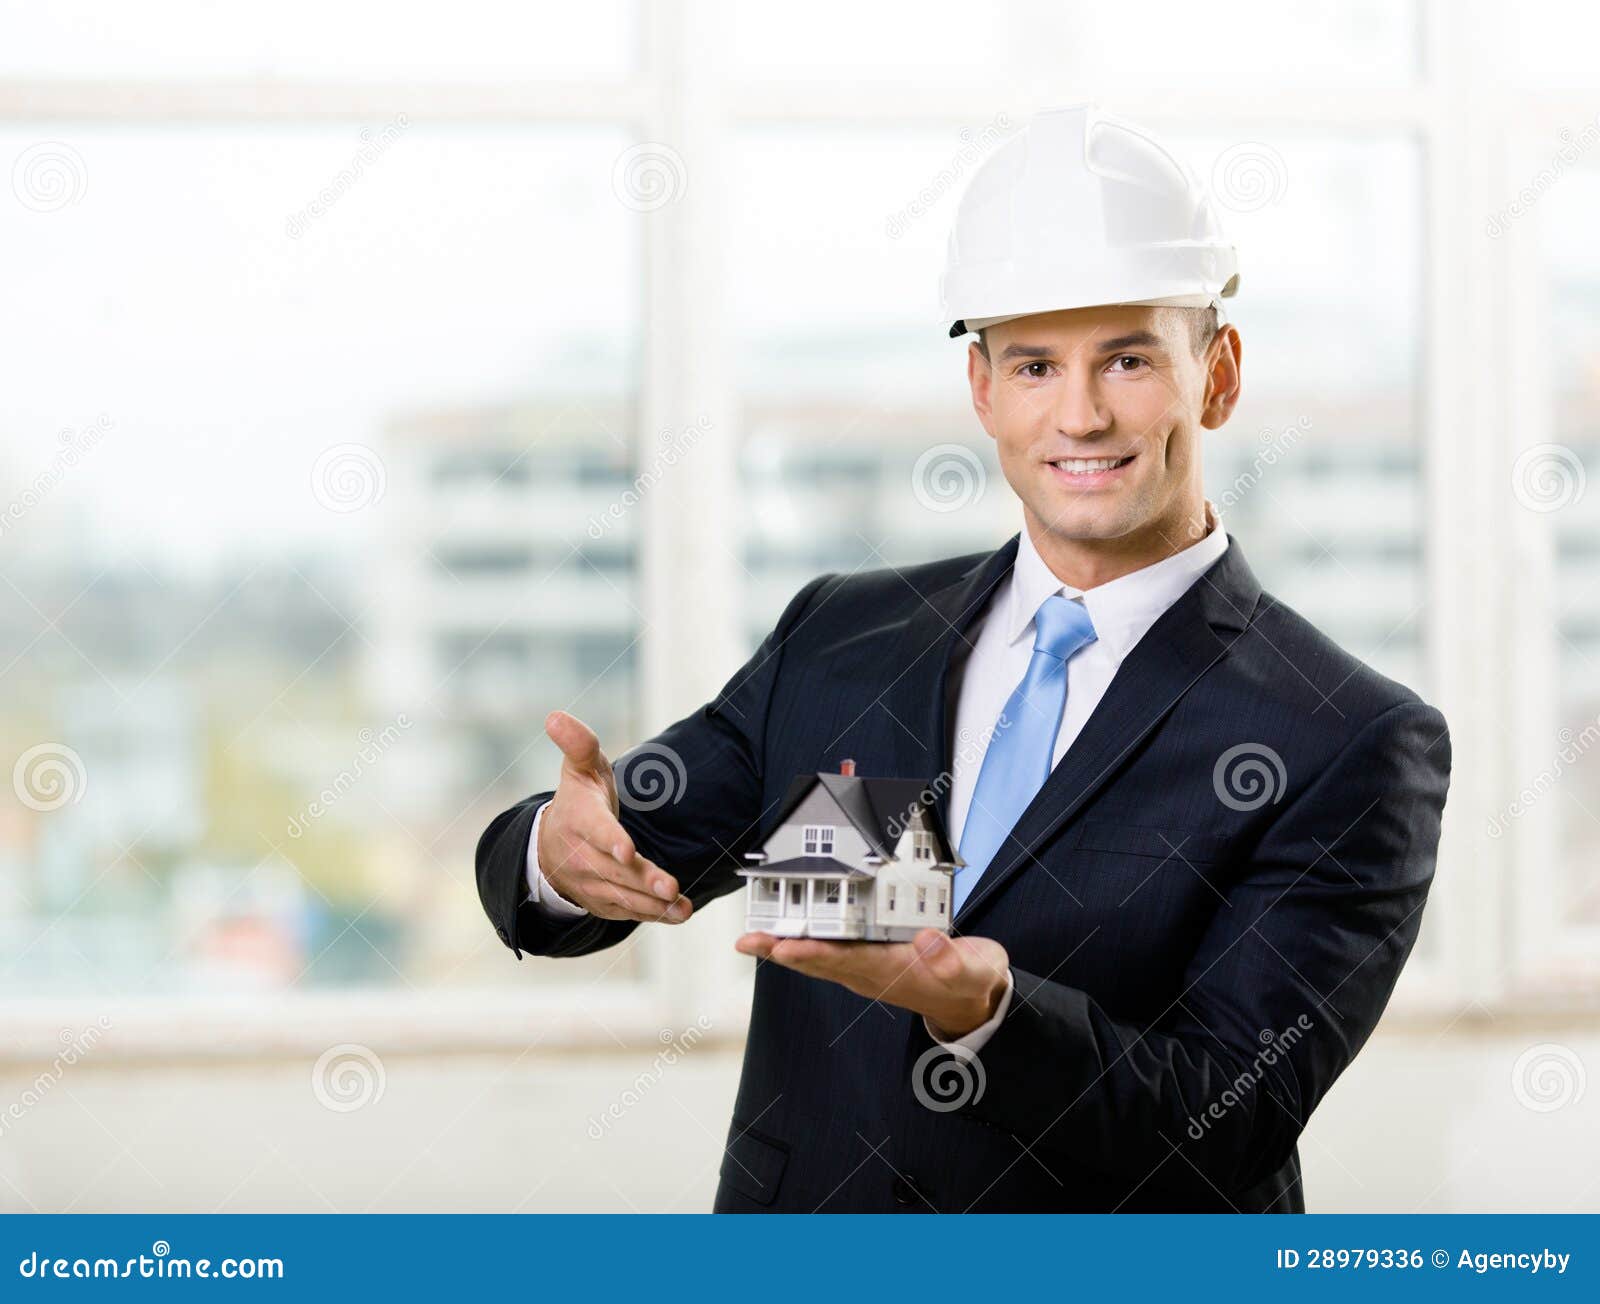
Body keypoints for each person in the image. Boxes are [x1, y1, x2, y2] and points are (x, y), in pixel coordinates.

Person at [474, 103, 1451, 1212]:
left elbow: (1221, 1119)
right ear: (982, 389)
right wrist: (559, 851)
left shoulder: (1344, 738)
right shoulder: (844, 640)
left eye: (1126, 359)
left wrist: (982, 1010)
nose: (1078, 416)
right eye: (1035, 366)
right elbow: (619, 862)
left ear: (1217, 375)